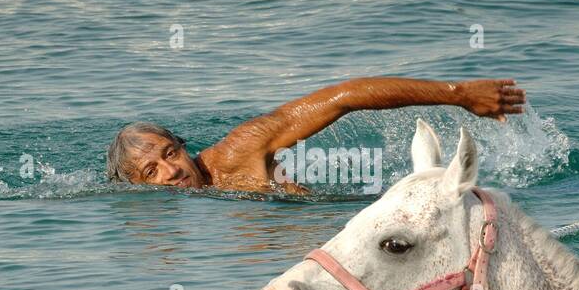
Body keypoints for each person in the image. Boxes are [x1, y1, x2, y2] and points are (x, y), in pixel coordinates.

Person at [105, 77, 525, 192]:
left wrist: (457, 95)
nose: (171, 171)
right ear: (134, 186)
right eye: (150, 170)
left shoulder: (238, 152)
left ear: (183, 147)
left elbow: (342, 98)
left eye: (169, 153)